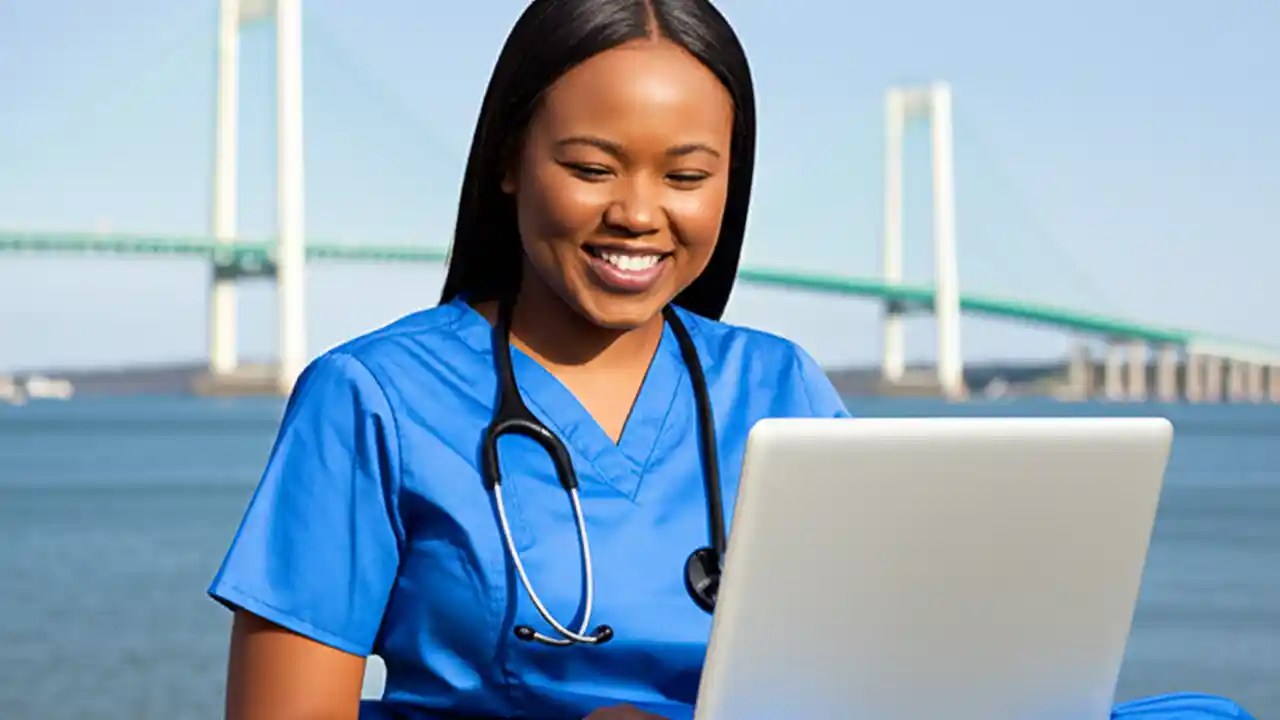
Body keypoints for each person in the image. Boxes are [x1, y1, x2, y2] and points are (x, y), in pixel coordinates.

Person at [209, 2, 1257, 719]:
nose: (637, 213)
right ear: (504, 166)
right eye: (586, 166)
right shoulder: (373, 399)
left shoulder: (776, 383)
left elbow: (870, 664)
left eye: (687, 174)